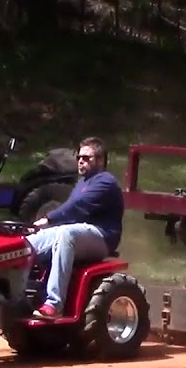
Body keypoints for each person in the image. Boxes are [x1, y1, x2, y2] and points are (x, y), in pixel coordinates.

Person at [16, 136, 124, 320]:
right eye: (79, 157)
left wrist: (48, 219)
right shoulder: (82, 183)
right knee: (26, 242)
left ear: (100, 160)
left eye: (86, 158)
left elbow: (77, 207)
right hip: (81, 232)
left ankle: (54, 304)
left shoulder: (106, 182)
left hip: (102, 236)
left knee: (66, 234)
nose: (80, 161)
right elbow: (72, 213)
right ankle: (20, 297)